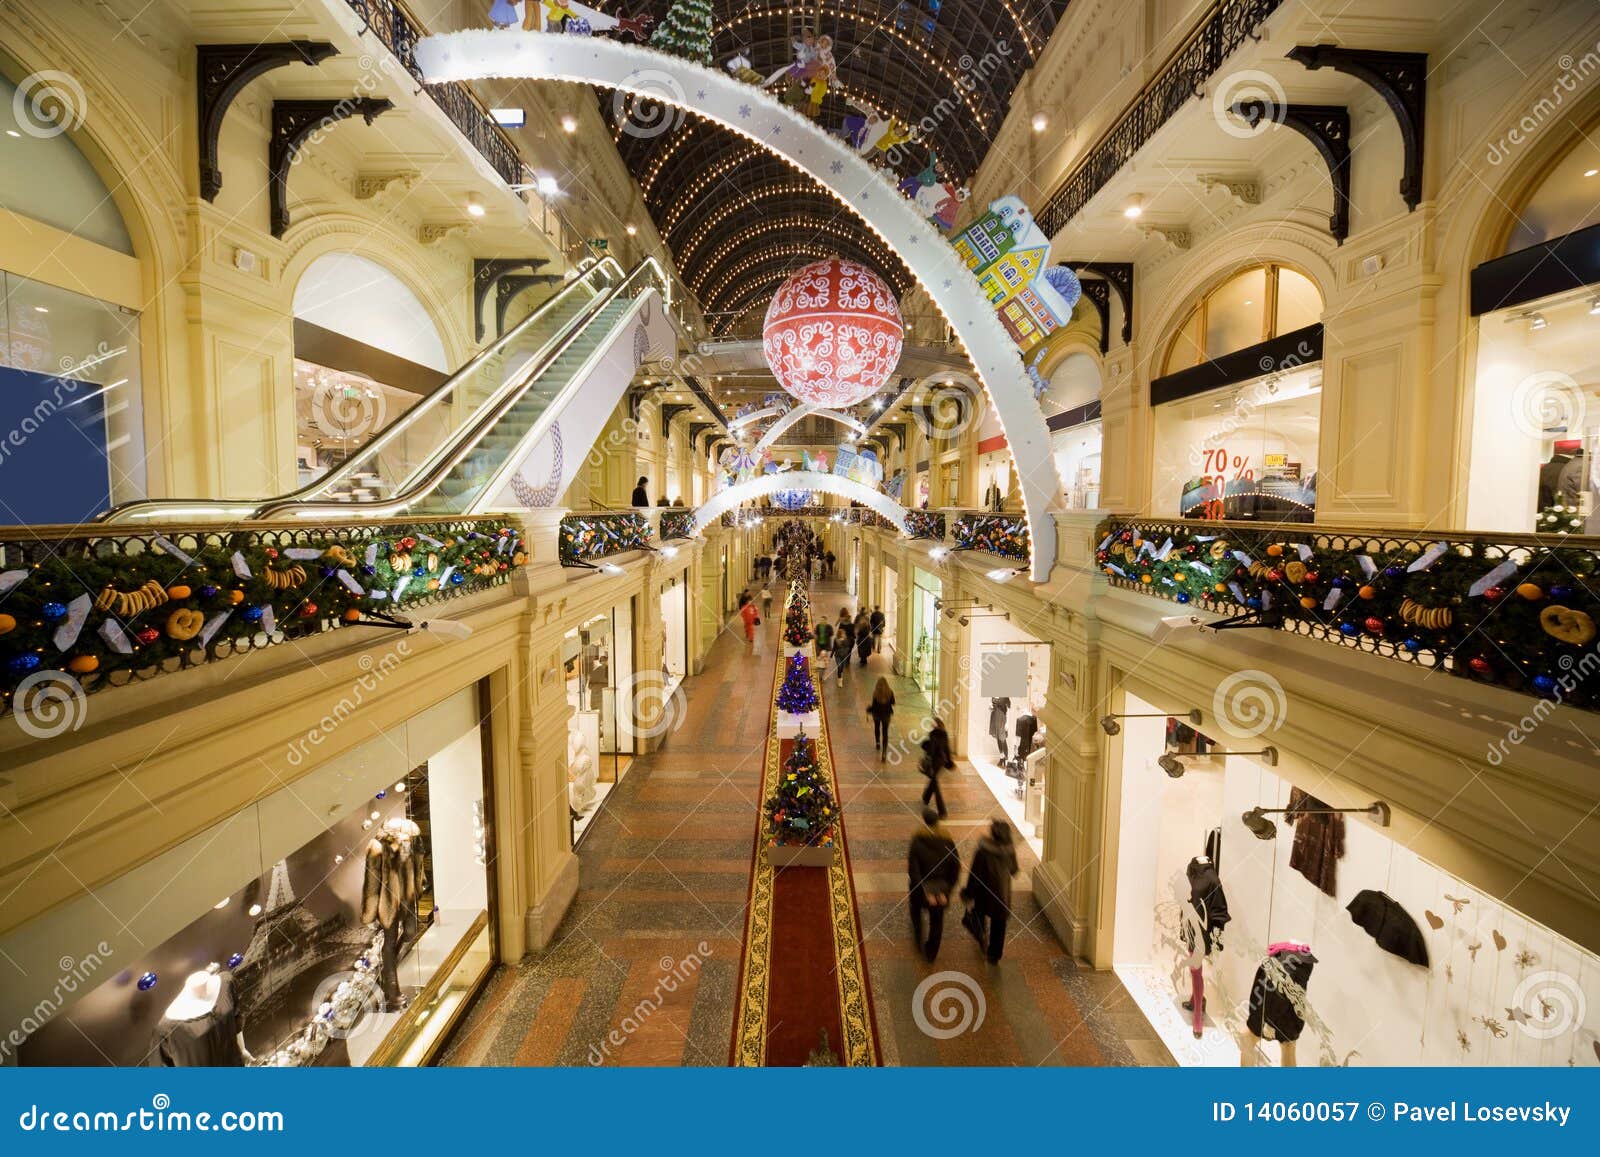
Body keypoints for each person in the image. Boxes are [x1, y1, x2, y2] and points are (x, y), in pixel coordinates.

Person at [962, 819, 1020, 964]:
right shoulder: (1010, 850)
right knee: (999, 924)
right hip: (1002, 895)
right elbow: (1014, 871)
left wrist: (968, 893)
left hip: (983, 893)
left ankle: (981, 935)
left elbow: (974, 875)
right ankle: (994, 955)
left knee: (978, 913)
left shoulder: (983, 851)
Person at [907, 807, 960, 962]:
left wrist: (923, 890)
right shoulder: (948, 841)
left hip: (921, 888)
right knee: (937, 921)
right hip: (942, 889)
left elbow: (913, 869)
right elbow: (955, 867)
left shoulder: (917, 840)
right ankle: (932, 952)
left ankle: (918, 940)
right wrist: (948, 889)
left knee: (916, 912)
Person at [919, 716, 954, 818]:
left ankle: (942, 811)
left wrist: (925, 746)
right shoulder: (944, 733)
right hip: (942, 761)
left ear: (937, 723)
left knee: (935, 784)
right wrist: (949, 761)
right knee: (933, 780)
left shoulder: (933, 733)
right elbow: (947, 748)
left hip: (934, 762)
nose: (931, 724)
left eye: (933, 722)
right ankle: (926, 797)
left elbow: (932, 749)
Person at [867, 677, 895, 759]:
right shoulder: (890, 692)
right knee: (885, 732)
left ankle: (878, 742)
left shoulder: (876, 693)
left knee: (877, 728)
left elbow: (874, 705)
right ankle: (884, 753)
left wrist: (869, 709)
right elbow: (893, 702)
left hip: (877, 715)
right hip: (886, 715)